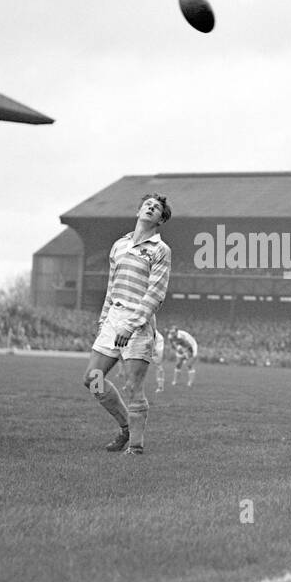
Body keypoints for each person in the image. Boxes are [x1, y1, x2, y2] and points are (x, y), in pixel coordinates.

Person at [83, 194, 172, 454]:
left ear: (161, 219)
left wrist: (130, 325)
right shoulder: (119, 245)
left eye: (157, 208)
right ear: (138, 211)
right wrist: (104, 320)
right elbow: (111, 288)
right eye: (147, 204)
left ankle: (135, 447)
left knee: (133, 386)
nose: (151, 207)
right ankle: (125, 428)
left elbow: (155, 294)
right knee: (92, 378)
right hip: (113, 320)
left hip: (139, 323)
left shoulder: (160, 250)